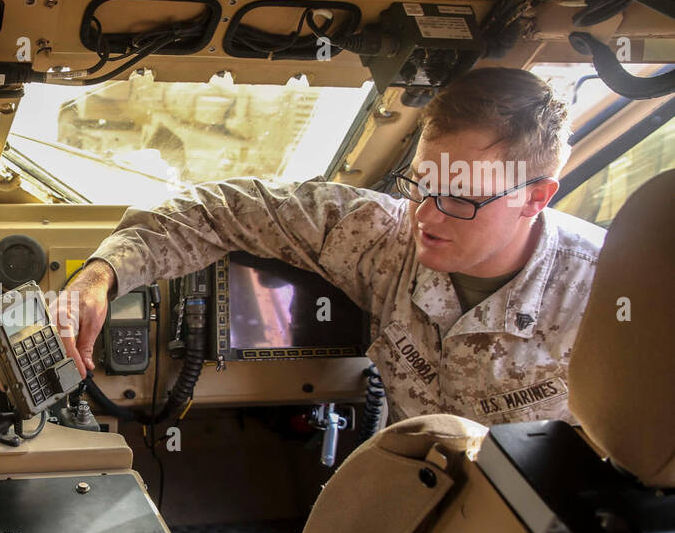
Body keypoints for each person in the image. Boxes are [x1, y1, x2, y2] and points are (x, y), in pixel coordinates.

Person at [54, 67, 604, 426]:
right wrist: (100, 279)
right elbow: (216, 211)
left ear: (536, 197)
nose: (426, 215)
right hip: (409, 491)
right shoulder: (384, 236)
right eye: (420, 184)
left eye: (461, 198)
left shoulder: (609, 294)